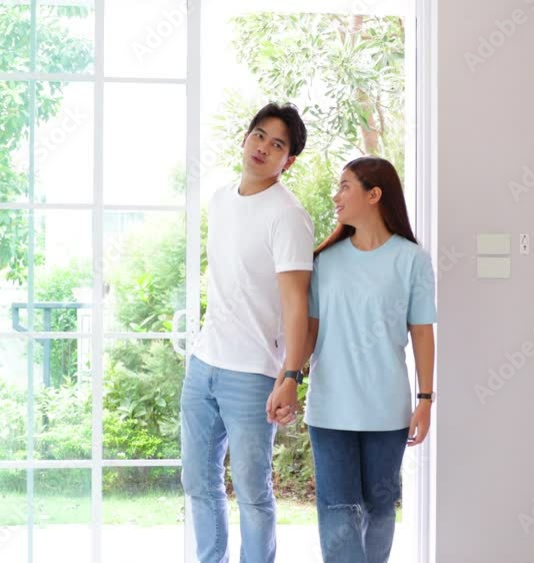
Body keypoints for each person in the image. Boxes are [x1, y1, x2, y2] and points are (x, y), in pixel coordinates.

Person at [181, 102, 313, 563]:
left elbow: (297, 303)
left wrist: (291, 375)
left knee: (253, 494)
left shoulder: (288, 215)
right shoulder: (220, 200)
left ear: (288, 161)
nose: (263, 147)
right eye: (259, 135)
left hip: (254, 372)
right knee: (198, 483)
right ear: (245, 138)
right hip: (204, 364)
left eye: (277, 145)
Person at [289, 156, 437, 562]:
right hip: (330, 409)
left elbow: (422, 332)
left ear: (374, 195)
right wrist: (289, 377)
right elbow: (310, 332)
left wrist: (425, 400)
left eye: (345, 187)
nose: (336, 196)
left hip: (387, 412)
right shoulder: (325, 261)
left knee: (380, 510)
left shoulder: (411, 260)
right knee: (337, 512)